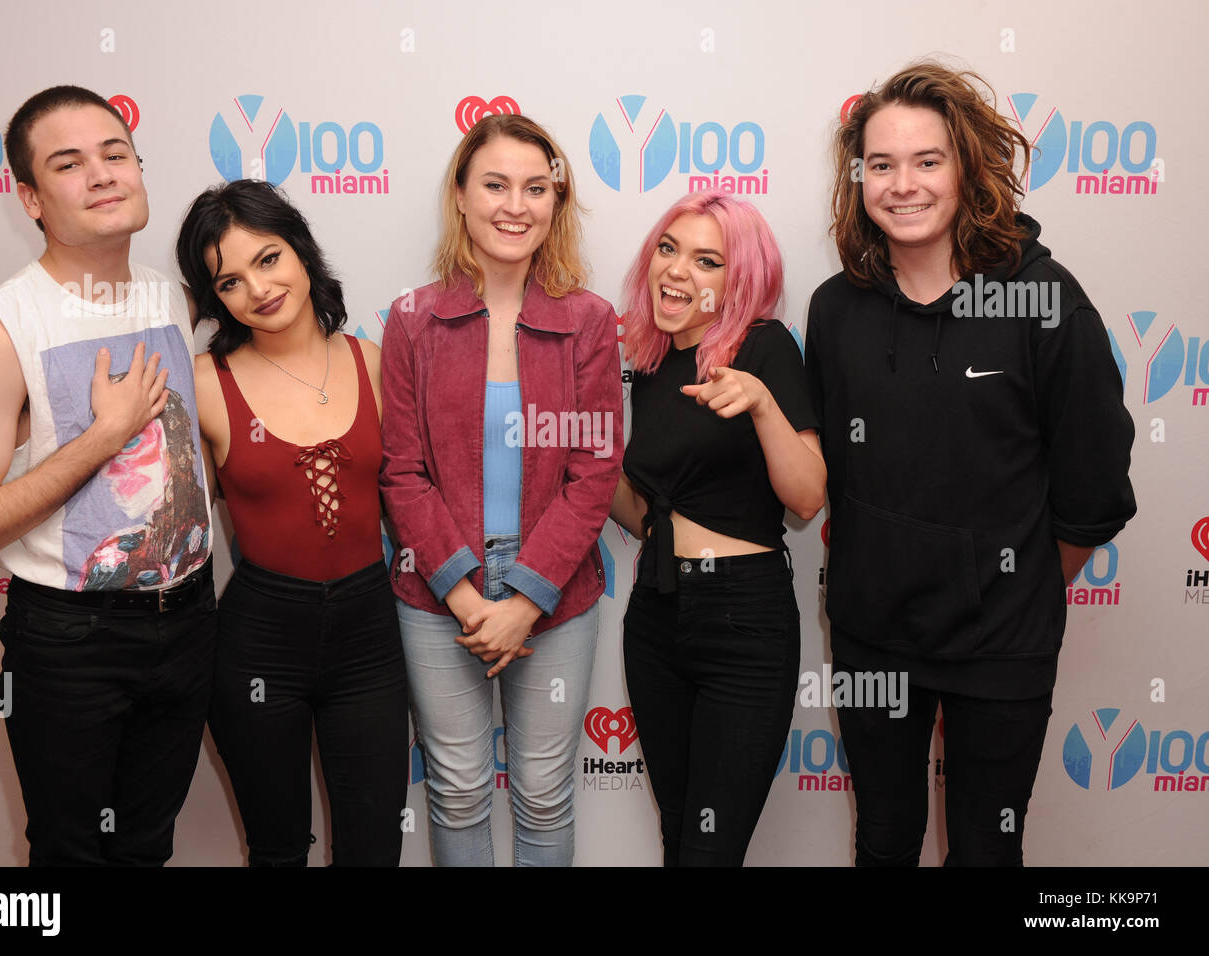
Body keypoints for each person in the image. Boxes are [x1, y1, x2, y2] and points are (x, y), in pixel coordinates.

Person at [805, 61, 1137, 866]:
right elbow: (834, 479)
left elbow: (1092, 488)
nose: (903, 184)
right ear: (859, 180)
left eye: (928, 161)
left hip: (1003, 644)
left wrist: (1011, 583)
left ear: (967, 168)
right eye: (881, 165)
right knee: (882, 840)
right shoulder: (835, 308)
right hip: (871, 640)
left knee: (988, 853)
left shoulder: (1042, 299)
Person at [0, 85, 215, 866]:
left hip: (189, 617)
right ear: (29, 197)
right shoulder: (4, 325)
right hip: (72, 643)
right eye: (68, 164)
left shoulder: (173, 294)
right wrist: (105, 436)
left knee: (146, 848)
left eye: (115, 154)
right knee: (72, 855)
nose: (101, 175)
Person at [380, 113, 623, 866]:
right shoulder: (413, 319)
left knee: (545, 791)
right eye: (494, 185)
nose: (515, 205)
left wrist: (524, 599)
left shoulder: (589, 321)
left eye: (535, 188)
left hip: (553, 591)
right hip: (435, 590)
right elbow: (401, 471)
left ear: (556, 203)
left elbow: (594, 474)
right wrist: (462, 592)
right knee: (454, 786)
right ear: (460, 195)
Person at [176, 179, 408, 866]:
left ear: (302, 250)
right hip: (258, 645)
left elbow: (415, 502)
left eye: (269, 258)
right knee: (278, 851)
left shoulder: (372, 361)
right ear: (215, 298)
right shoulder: (200, 382)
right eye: (230, 280)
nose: (259, 288)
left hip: (370, 641)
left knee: (373, 849)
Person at [610, 190, 825, 866]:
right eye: (668, 249)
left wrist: (761, 405)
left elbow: (808, 497)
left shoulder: (764, 349)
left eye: (707, 260)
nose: (676, 271)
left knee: (708, 848)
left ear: (740, 281)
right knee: (680, 834)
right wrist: (584, 458)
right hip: (656, 614)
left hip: (743, 621)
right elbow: (649, 517)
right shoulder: (650, 364)